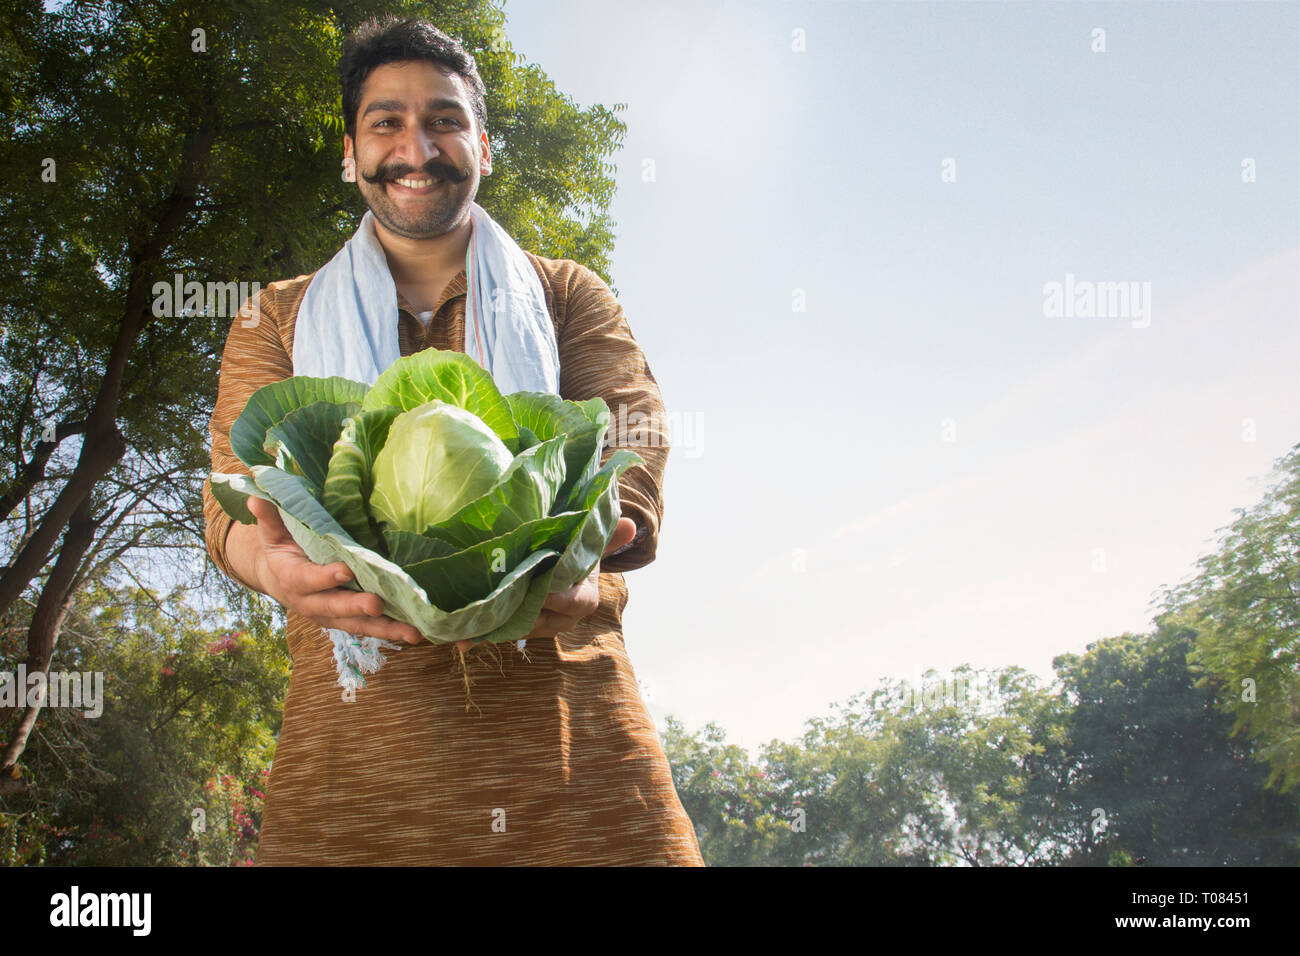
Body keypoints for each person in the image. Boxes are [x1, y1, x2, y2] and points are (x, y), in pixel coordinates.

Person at [202, 16, 703, 865]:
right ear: (351, 151)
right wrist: (274, 566)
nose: (416, 147)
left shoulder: (565, 293)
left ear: (483, 146)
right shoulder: (276, 316)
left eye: (443, 119)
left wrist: (590, 547)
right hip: (353, 770)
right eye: (385, 122)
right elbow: (233, 499)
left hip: (576, 753)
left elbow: (632, 439)